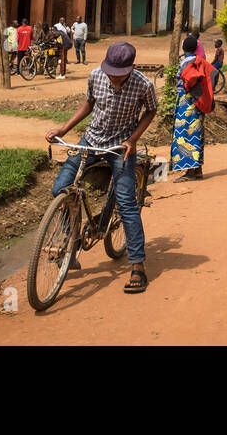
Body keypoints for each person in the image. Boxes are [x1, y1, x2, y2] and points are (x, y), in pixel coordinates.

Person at [47, 41, 158, 294]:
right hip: (92, 140)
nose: (113, 77)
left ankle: (138, 266)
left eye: (118, 74)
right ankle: (70, 241)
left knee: (127, 204)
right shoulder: (96, 75)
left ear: (130, 69)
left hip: (121, 147)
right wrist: (63, 129)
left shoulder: (143, 85)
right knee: (60, 188)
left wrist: (133, 140)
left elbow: (151, 111)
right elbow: (89, 103)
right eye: (110, 72)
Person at [172, 35, 214, 181]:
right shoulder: (200, 61)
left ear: (183, 48)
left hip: (187, 102)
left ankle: (191, 171)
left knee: (185, 135)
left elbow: (186, 81)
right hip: (198, 102)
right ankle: (197, 169)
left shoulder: (185, 63)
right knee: (197, 134)